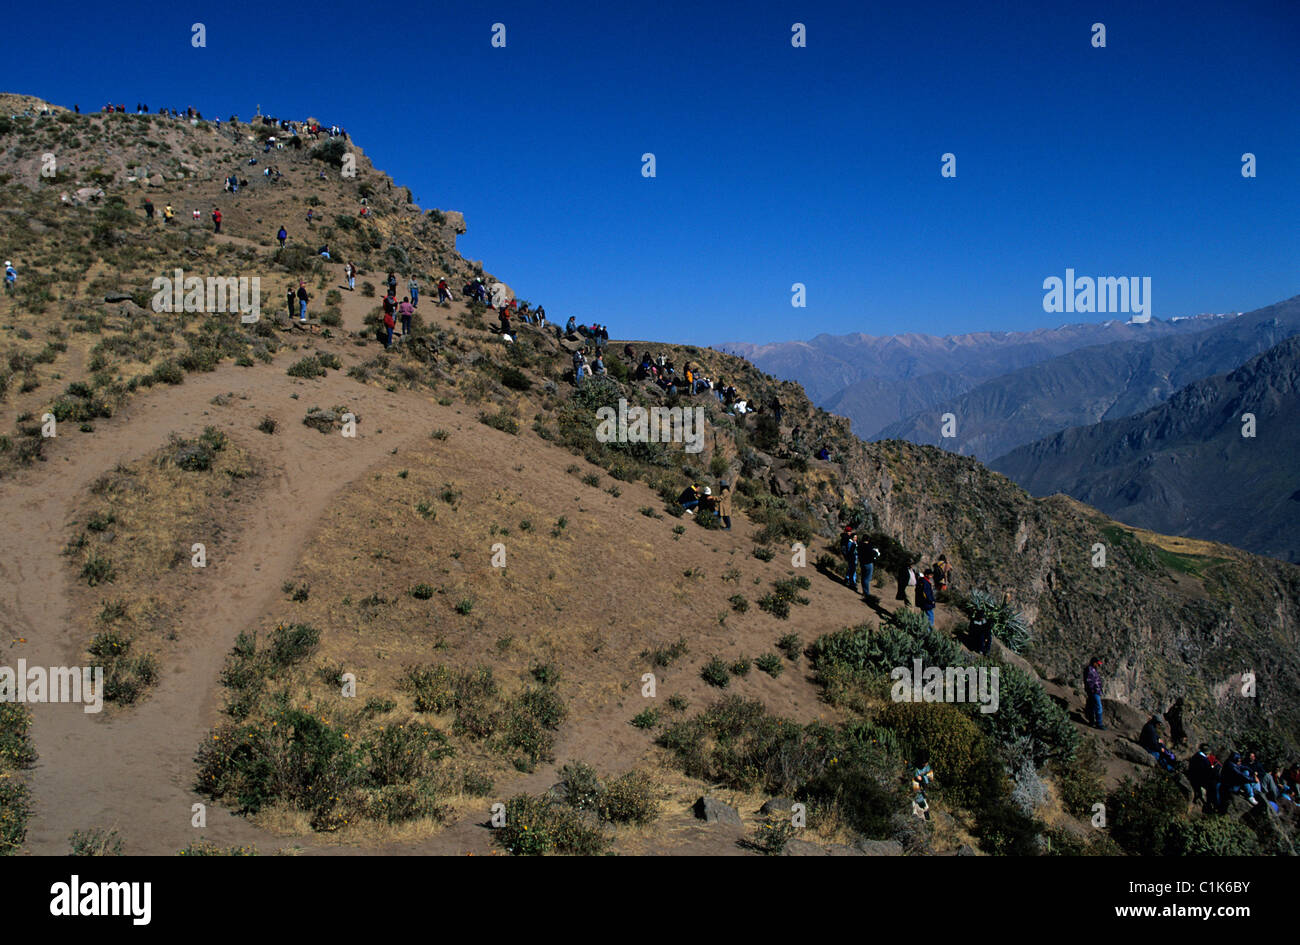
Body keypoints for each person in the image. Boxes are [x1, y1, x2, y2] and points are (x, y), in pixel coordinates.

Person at [1188, 744, 1218, 810]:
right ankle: (1210, 805)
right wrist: (1212, 767)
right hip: (1199, 778)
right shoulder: (1203, 759)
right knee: (1212, 786)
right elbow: (1207, 770)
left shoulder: (1196, 756)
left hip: (1193, 776)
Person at [1084, 657, 1105, 730]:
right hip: (1094, 692)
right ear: (1094, 663)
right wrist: (1093, 690)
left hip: (1095, 691)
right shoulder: (1090, 670)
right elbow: (1089, 682)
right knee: (1098, 706)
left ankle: (1092, 722)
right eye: (1097, 664)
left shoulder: (1093, 670)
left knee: (1092, 706)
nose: (1098, 665)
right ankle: (1099, 723)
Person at [841, 526, 859, 591]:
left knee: (850, 568)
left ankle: (847, 579)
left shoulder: (847, 539)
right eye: (848, 531)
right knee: (852, 568)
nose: (849, 532)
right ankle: (852, 582)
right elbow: (848, 549)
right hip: (851, 556)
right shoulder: (848, 540)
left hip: (851, 556)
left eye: (850, 531)